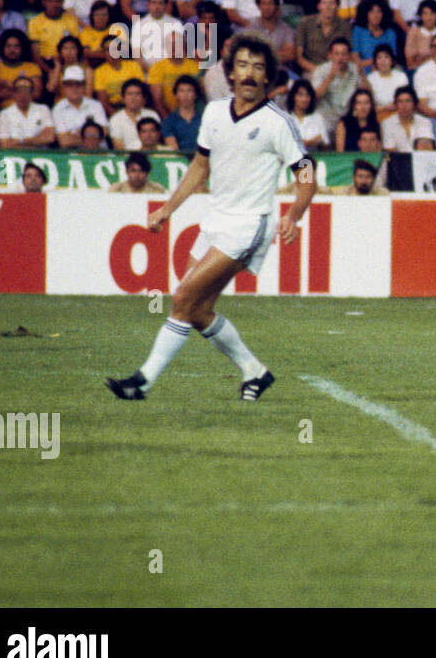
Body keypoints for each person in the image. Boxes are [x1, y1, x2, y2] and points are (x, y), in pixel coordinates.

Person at [106, 34, 315, 402]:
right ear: (230, 73)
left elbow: (307, 176)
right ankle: (254, 371)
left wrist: (294, 214)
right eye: (243, 65)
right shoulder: (215, 113)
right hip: (216, 219)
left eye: (258, 68)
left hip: (250, 224)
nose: (249, 74)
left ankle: (143, 381)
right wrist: (168, 209)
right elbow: (200, 167)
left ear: (268, 78)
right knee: (198, 309)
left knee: (183, 295)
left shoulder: (278, 122)